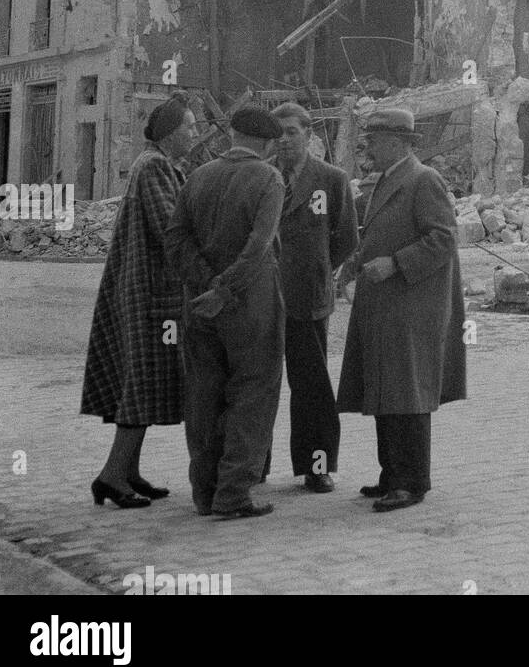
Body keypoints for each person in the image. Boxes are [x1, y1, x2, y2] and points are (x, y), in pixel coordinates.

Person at [337, 109, 466, 513]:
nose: (368, 148)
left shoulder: (423, 179)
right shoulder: (389, 179)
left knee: (408, 391)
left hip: (412, 305)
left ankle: (411, 482)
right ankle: (390, 474)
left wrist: (395, 262)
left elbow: (444, 238)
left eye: (373, 140)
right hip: (386, 304)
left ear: (397, 141)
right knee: (386, 387)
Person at [163, 106, 285, 519]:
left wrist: (206, 284)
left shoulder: (197, 176)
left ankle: (204, 492)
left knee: (203, 396)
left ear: (231, 136)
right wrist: (225, 288)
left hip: (198, 307)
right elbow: (259, 245)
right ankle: (233, 493)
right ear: (268, 144)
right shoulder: (269, 178)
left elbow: (175, 239)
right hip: (251, 304)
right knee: (253, 393)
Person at [80, 95, 197, 509]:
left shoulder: (155, 165)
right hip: (150, 294)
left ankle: (128, 470)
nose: (195, 134)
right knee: (140, 382)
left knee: (140, 381)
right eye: (189, 127)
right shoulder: (155, 167)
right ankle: (112, 475)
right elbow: (171, 226)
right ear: (169, 132)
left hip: (144, 289)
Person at [264, 102, 357, 492]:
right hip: (264, 301)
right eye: (278, 133)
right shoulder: (262, 175)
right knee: (259, 387)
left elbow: (347, 238)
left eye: (292, 132)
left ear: (309, 135)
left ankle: (316, 467)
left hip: (307, 298)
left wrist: (319, 267)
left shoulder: (331, 180)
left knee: (312, 388)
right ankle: (253, 466)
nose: (284, 140)